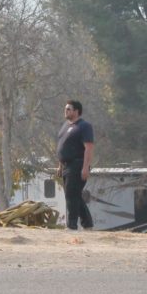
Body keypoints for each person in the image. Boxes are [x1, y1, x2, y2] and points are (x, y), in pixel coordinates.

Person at [57, 99, 94, 230]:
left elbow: (88, 147)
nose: (65, 111)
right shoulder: (65, 126)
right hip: (66, 166)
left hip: (77, 165)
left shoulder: (84, 126)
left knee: (71, 195)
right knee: (75, 195)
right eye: (65, 108)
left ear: (76, 111)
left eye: (69, 109)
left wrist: (85, 167)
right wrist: (60, 165)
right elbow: (63, 146)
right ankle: (87, 224)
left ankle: (71, 225)